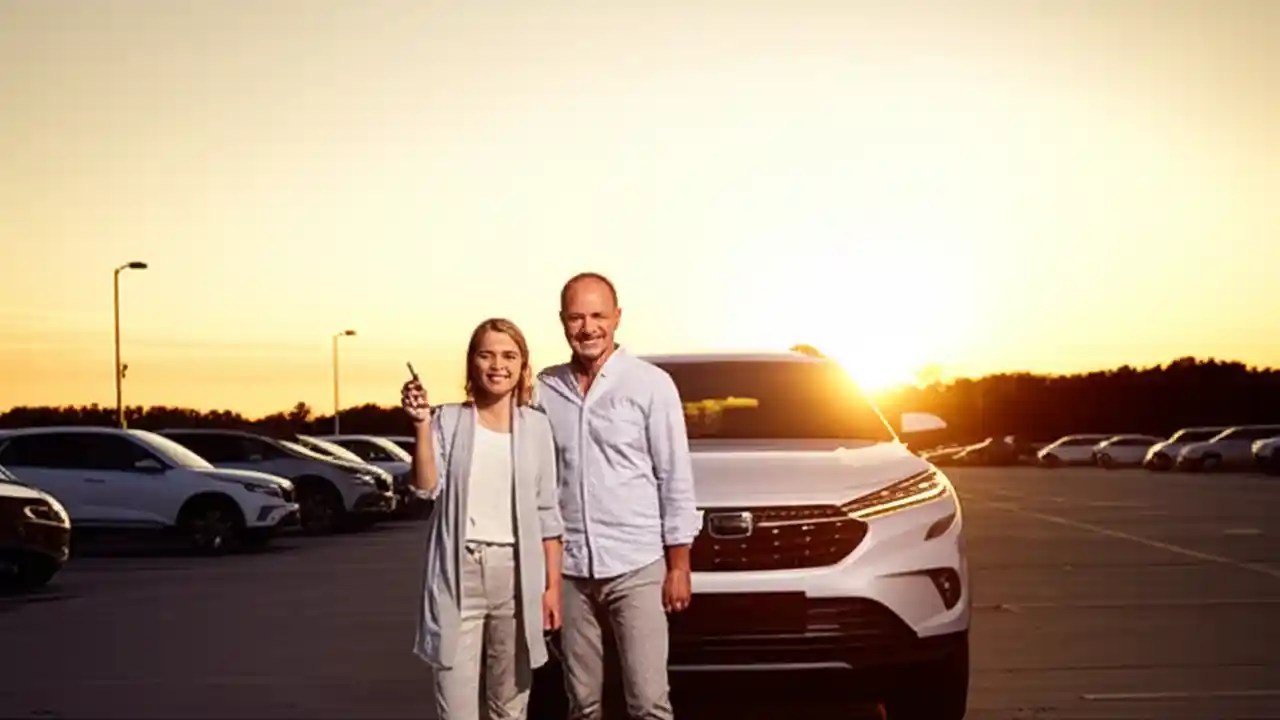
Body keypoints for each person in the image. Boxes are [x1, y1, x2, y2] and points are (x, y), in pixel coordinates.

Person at [533, 272, 701, 720]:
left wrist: (679, 565)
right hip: (568, 570)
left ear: (618, 318)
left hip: (638, 564)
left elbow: (675, 477)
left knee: (647, 702)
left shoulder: (651, 385)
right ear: (563, 322)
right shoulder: (544, 389)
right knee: (582, 704)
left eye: (598, 316)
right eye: (576, 317)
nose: (588, 327)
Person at [403, 318, 564, 720]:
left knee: (509, 708)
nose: (498, 365)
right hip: (460, 575)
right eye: (486, 354)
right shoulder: (449, 420)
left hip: (518, 579)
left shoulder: (537, 427)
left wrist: (552, 589)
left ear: (522, 364)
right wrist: (422, 425)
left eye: (509, 355)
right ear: (472, 363)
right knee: (456, 709)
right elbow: (426, 488)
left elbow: (549, 514)